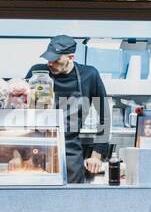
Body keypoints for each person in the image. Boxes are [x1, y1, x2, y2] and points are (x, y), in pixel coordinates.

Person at [27, 35, 110, 183]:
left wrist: (97, 155)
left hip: (70, 151)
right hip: (37, 148)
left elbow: (104, 116)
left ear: (70, 57)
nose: (50, 63)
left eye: (56, 60)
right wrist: (17, 153)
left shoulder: (89, 75)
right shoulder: (37, 73)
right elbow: (21, 111)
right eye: (48, 58)